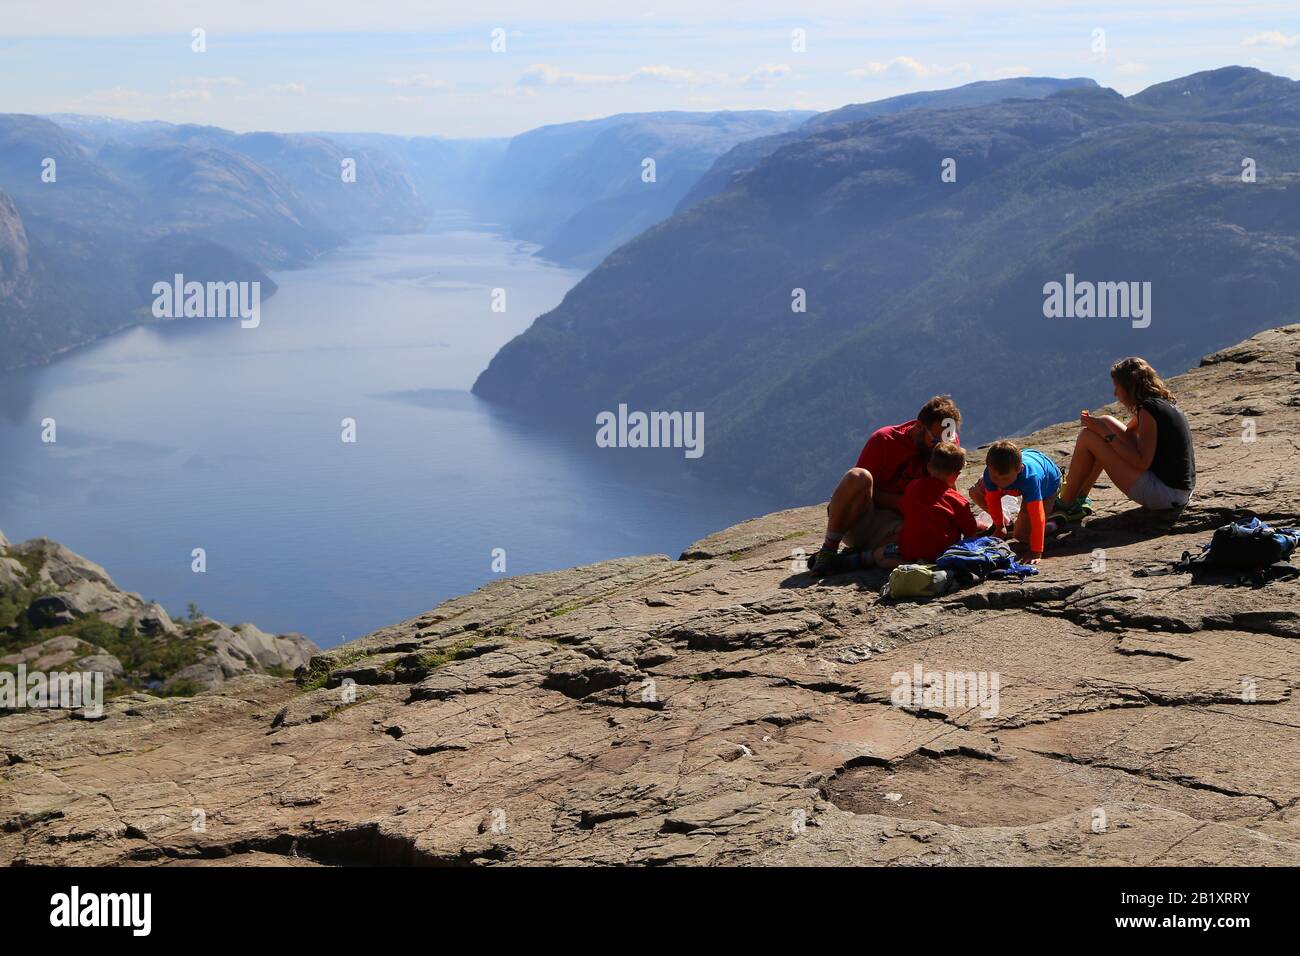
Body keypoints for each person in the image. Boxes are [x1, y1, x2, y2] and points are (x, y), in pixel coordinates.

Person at [809, 396, 962, 575]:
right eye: (935, 441)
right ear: (919, 426)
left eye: (946, 441)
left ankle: (855, 558)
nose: (939, 447)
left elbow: (947, 486)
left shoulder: (945, 444)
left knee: (936, 535)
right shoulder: (884, 440)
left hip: (901, 525)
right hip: (866, 520)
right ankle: (828, 551)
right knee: (858, 476)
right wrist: (904, 502)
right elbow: (860, 490)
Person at [1054, 356, 1196, 519]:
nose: (1115, 393)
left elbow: (1142, 462)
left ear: (1130, 387)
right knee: (1105, 421)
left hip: (1166, 494)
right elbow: (1128, 434)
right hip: (1177, 490)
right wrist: (1100, 426)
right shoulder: (1159, 403)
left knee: (1088, 437)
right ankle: (1078, 497)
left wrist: (1105, 433)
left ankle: (1065, 504)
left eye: (1117, 387)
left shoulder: (1148, 410)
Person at [869, 442, 981, 570]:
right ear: (955, 475)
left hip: (910, 552)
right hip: (942, 554)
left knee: (879, 555)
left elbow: (904, 508)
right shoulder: (958, 501)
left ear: (929, 467)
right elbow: (970, 533)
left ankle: (908, 564)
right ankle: (930, 566)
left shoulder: (912, 487)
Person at [967, 440, 1062, 564]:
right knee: (976, 492)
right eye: (995, 477)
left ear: (1019, 469)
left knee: (1022, 536)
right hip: (1018, 475)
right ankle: (1008, 523)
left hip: (1048, 484)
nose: (1000, 482)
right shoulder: (992, 474)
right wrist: (1000, 526)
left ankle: (1053, 514)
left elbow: (1037, 516)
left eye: (1005, 478)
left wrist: (1036, 551)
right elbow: (992, 498)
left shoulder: (1030, 478)